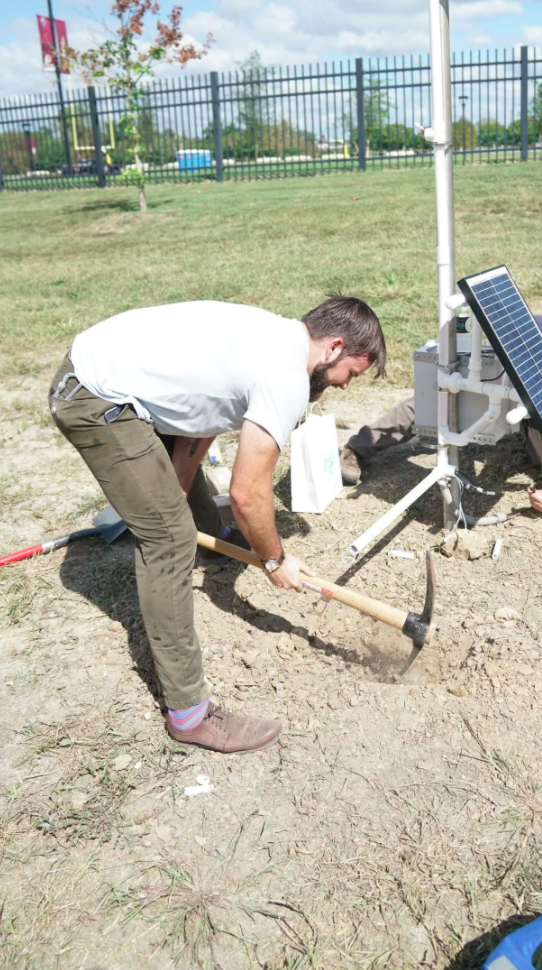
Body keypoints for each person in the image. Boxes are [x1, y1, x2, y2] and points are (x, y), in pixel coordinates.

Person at [50, 296, 385, 754]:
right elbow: (248, 494)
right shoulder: (285, 377)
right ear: (334, 347)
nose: (346, 386)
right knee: (167, 537)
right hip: (94, 396)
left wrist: (172, 492)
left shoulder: (274, 337)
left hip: (108, 373)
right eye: (352, 373)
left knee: (174, 511)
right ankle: (189, 714)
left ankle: (210, 545)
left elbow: (200, 416)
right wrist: (273, 559)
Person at [340, 314, 542, 515]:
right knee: (446, 403)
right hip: (509, 354)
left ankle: (521, 423)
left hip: (539, 393)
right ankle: (359, 447)